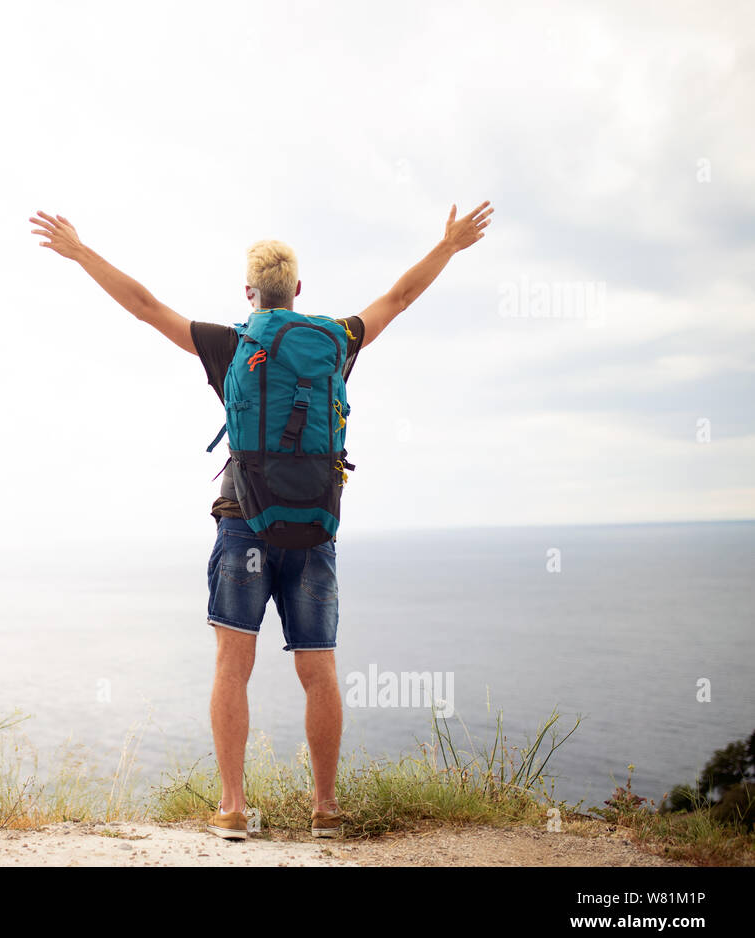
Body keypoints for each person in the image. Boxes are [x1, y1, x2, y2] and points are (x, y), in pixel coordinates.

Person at [29, 201, 494, 840]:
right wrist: (449, 245)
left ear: (249, 294)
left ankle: (232, 808)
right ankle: (326, 809)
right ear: (298, 291)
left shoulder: (228, 344)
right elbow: (401, 297)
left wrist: (80, 252)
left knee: (233, 664)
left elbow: (142, 304)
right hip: (313, 529)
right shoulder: (338, 338)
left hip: (243, 522)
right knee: (318, 668)